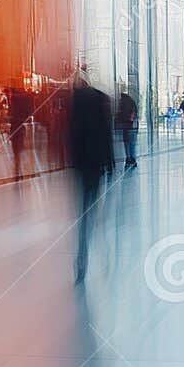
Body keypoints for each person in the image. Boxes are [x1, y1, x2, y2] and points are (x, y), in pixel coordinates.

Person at [68, 74, 114, 284]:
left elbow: (71, 135)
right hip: (95, 164)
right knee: (92, 207)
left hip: (81, 164)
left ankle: (81, 255)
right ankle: (98, 243)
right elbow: (106, 134)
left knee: (83, 210)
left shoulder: (76, 106)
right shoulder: (99, 103)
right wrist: (110, 161)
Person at [115, 85, 139, 170]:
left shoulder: (123, 102)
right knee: (132, 143)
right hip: (132, 126)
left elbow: (122, 115)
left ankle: (129, 158)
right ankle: (132, 159)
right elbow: (134, 113)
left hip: (126, 126)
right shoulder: (131, 101)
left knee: (128, 143)